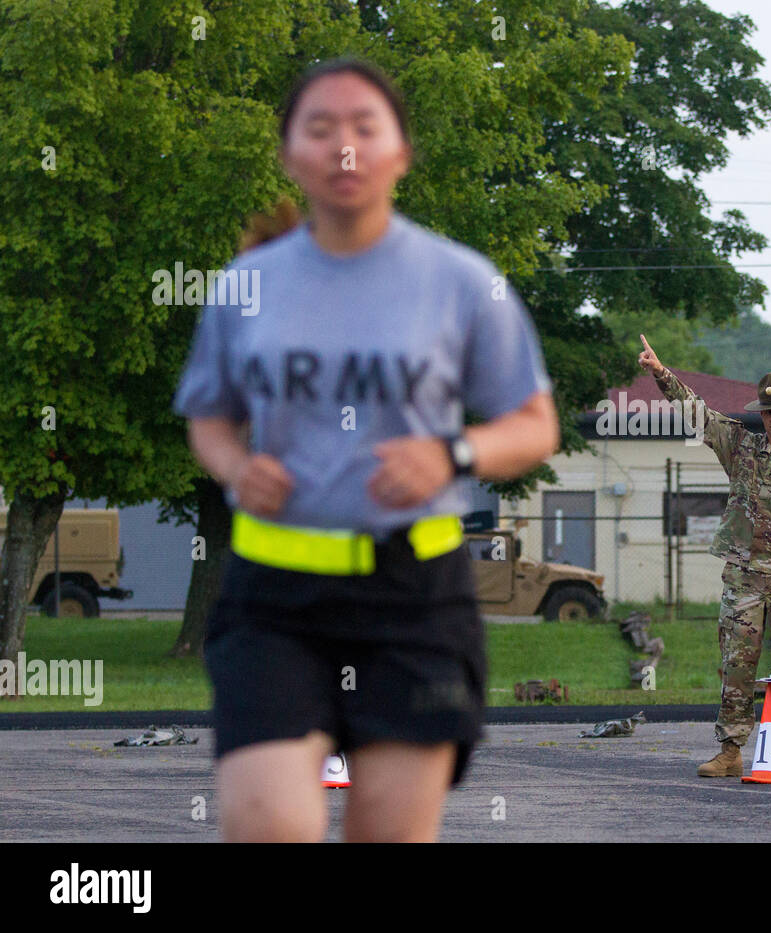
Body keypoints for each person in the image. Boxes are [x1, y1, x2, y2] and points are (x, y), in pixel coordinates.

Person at [172, 58, 559, 842]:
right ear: (288, 154)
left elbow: (533, 423)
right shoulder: (247, 284)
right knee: (270, 824)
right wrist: (238, 466)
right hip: (275, 598)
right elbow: (208, 417)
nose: (343, 148)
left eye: (364, 127)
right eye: (320, 128)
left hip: (415, 598)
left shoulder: (459, 281)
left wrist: (452, 452)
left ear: (402, 152)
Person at [637, 335, 771, 777]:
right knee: (737, 665)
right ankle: (730, 751)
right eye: (767, 412)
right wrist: (660, 373)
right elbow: (698, 414)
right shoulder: (742, 450)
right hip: (745, 581)